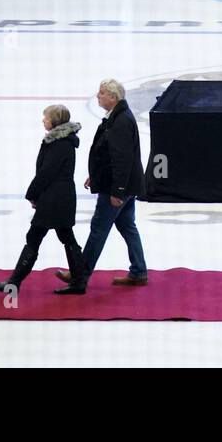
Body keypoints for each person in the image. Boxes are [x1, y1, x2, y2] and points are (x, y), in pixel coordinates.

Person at [55, 79, 147, 294]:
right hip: (123, 185)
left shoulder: (121, 121)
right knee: (127, 227)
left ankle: (79, 275)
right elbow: (109, 156)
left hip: (116, 189)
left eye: (102, 93)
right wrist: (95, 176)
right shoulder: (117, 116)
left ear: (113, 98)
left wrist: (118, 191)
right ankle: (139, 272)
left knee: (98, 230)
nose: (98, 95)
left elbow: (121, 160)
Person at [0, 105, 87, 295]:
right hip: (62, 198)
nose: (43, 120)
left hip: (54, 199)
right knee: (66, 237)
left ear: (55, 121)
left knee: (34, 238)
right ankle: (79, 282)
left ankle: (14, 284)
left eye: (46, 117)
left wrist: (32, 194)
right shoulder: (63, 141)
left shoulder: (58, 143)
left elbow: (46, 173)